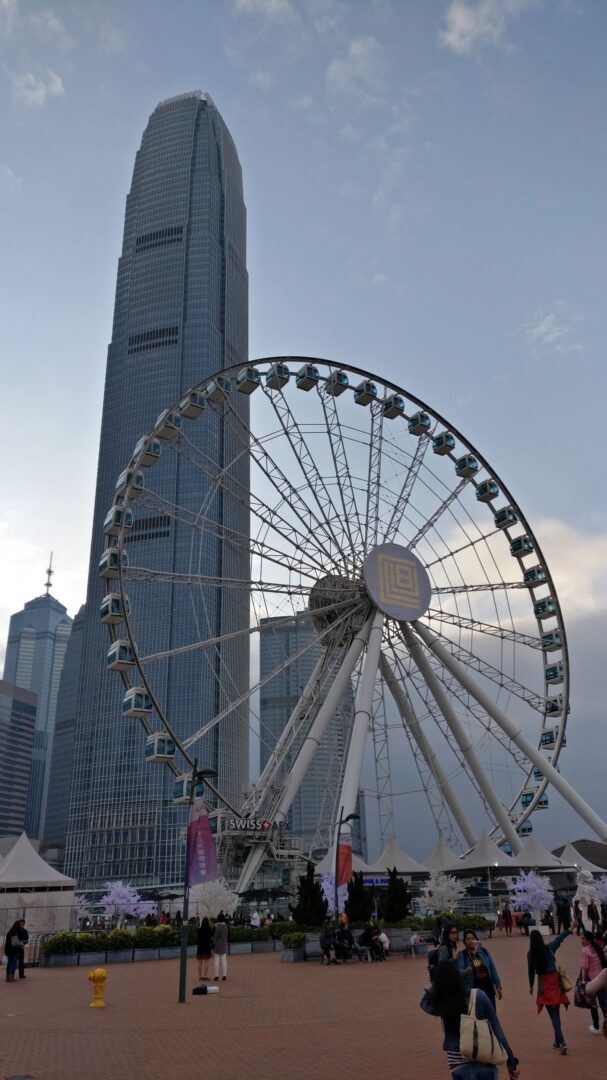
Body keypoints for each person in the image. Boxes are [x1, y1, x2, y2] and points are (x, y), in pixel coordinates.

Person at [420, 960, 520, 1080]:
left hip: (459, 1065)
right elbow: (498, 1031)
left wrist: (440, 982)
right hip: (485, 1059)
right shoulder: (480, 996)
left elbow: (424, 1002)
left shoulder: (444, 1005)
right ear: (458, 975)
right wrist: (511, 1062)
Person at [527, 928, 571, 1054]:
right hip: (555, 982)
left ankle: (561, 1042)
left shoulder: (531, 954)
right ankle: (558, 1042)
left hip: (544, 986)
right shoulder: (549, 948)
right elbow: (559, 939)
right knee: (556, 1014)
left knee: (553, 1016)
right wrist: (570, 929)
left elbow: (530, 971)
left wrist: (531, 986)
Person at [457, 930, 503, 1008]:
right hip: (473, 992)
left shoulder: (483, 952)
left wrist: (498, 986)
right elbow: (458, 972)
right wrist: (465, 971)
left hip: (488, 989)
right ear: (464, 942)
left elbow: (492, 969)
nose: (470, 941)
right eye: (468, 939)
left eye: (472, 938)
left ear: (476, 940)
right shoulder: (462, 955)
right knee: (478, 1017)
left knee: (491, 1016)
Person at [579, 928, 607, 1035]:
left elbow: (585, 966)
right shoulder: (597, 948)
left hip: (592, 981)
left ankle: (596, 1026)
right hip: (601, 979)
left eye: (583, 939)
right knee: (604, 1003)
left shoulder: (585, 950)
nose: (581, 941)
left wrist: (583, 978)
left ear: (589, 941)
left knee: (593, 1005)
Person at [212, 913, 229, 981]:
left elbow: (214, 936)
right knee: (224, 961)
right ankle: (224, 975)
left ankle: (216, 976)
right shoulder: (226, 926)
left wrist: (213, 941)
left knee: (216, 961)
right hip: (224, 944)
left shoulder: (215, 926)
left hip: (216, 945)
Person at [196, 916, 213, 981]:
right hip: (207, 947)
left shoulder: (199, 930)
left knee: (200, 963)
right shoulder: (209, 930)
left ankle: (200, 976)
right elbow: (212, 935)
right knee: (206, 962)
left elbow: (197, 937)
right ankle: (205, 976)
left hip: (200, 947)